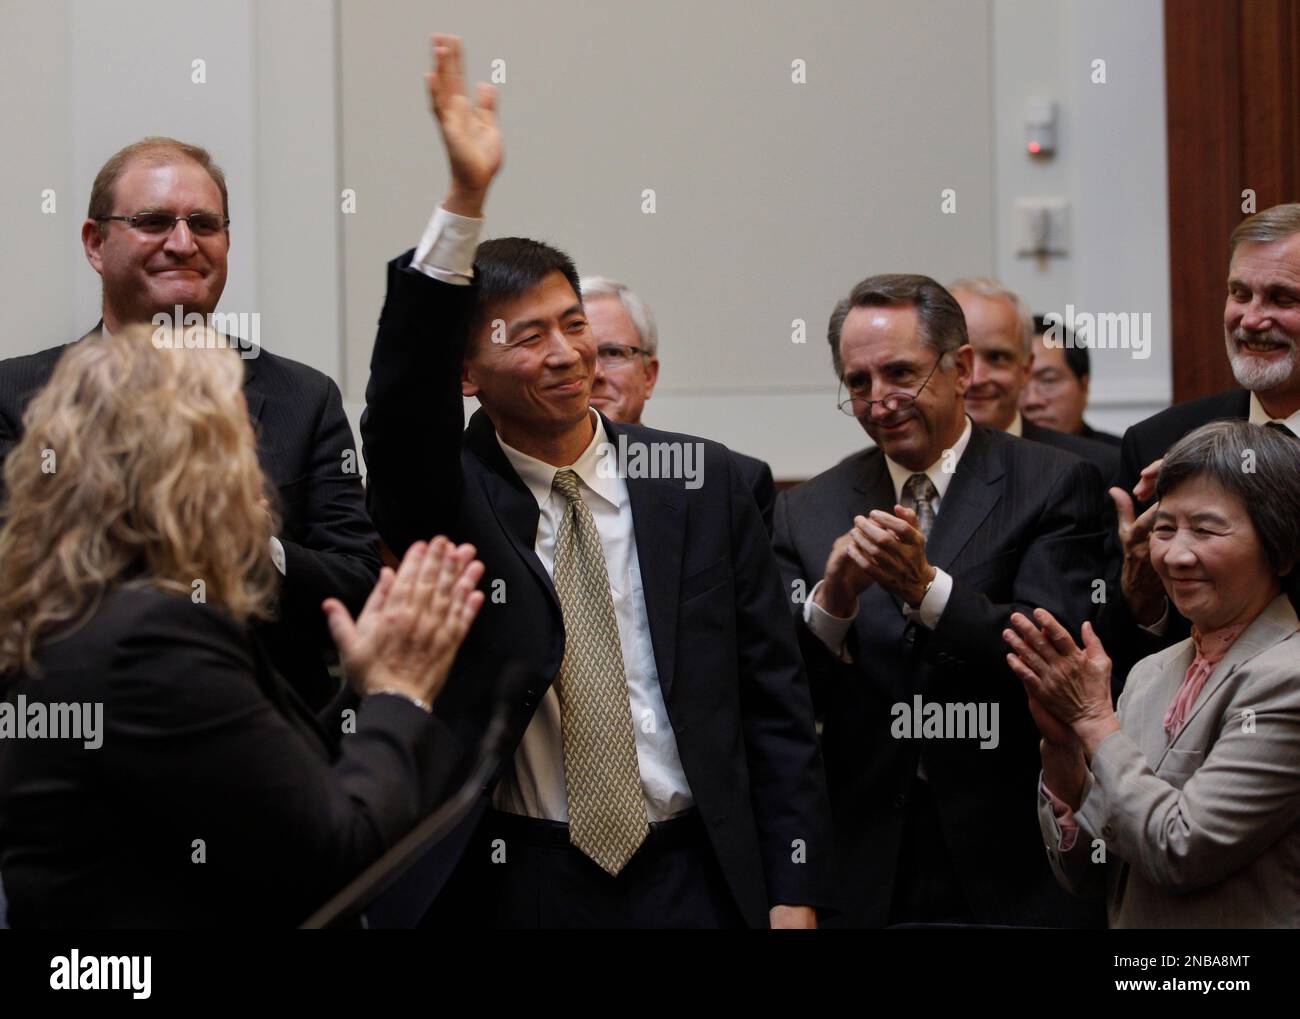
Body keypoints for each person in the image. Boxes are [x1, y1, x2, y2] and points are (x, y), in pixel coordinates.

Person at [359, 35, 832, 929]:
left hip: (696, 870)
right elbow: (397, 404)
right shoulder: (447, 496)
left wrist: (795, 891)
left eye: (573, 323)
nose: (568, 352)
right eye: (526, 335)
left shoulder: (705, 482)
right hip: (517, 877)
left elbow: (775, 705)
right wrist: (464, 199)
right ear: (469, 372)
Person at [0, 326, 484, 928]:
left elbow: (263, 782)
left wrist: (363, 690)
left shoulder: (83, 610)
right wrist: (400, 692)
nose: (254, 465)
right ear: (190, 470)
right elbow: (334, 853)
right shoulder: (151, 639)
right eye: (236, 439)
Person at [773, 272, 1106, 927]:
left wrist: (928, 591)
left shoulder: (1054, 483)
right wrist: (833, 603)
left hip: (1013, 856)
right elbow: (782, 698)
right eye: (859, 382)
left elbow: (1054, 654)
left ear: (961, 368)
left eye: (901, 373)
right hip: (868, 864)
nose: (880, 400)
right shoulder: (805, 511)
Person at [0, 137, 381, 710]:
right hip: (70, 740)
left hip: (263, 749)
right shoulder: (16, 395)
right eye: (153, 221)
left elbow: (357, 586)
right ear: (95, 242)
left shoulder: (303, 398)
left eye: (204, 224)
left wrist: (262, 550)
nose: (183, 244)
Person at [1006, 421, 1300, 927]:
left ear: (1280, 546)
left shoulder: (1286, 677)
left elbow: (1179, 848)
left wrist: (1095, 721)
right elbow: (1094, 872)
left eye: (1206, 531)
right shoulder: (1148, 673)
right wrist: (1063, 750)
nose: (1175, 555)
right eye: (1164, 529)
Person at [1102, 203, 1300, 682]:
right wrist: (1142, 591)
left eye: (1281, 298)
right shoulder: (1157, 442)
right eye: (1240, 294)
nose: (1252, 320)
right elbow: (1118, 651)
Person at [582, 275, 777, 534]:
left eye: (613, 353)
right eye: (581, 355)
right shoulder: (518, 482)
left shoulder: (726, 483)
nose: (596, 373)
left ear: (648, 376)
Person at [950, 277, 1118, 481]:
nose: (976, 379)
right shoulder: (910, 457)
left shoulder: (1094, 469)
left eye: (997, 358)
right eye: (959, 361)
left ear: (1025, 368)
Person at [1021, 315, 1120, 445]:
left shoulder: (1120, 459)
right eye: (1020, 384)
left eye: (1048, 380)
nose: (1031, 400)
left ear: (1084, 387)